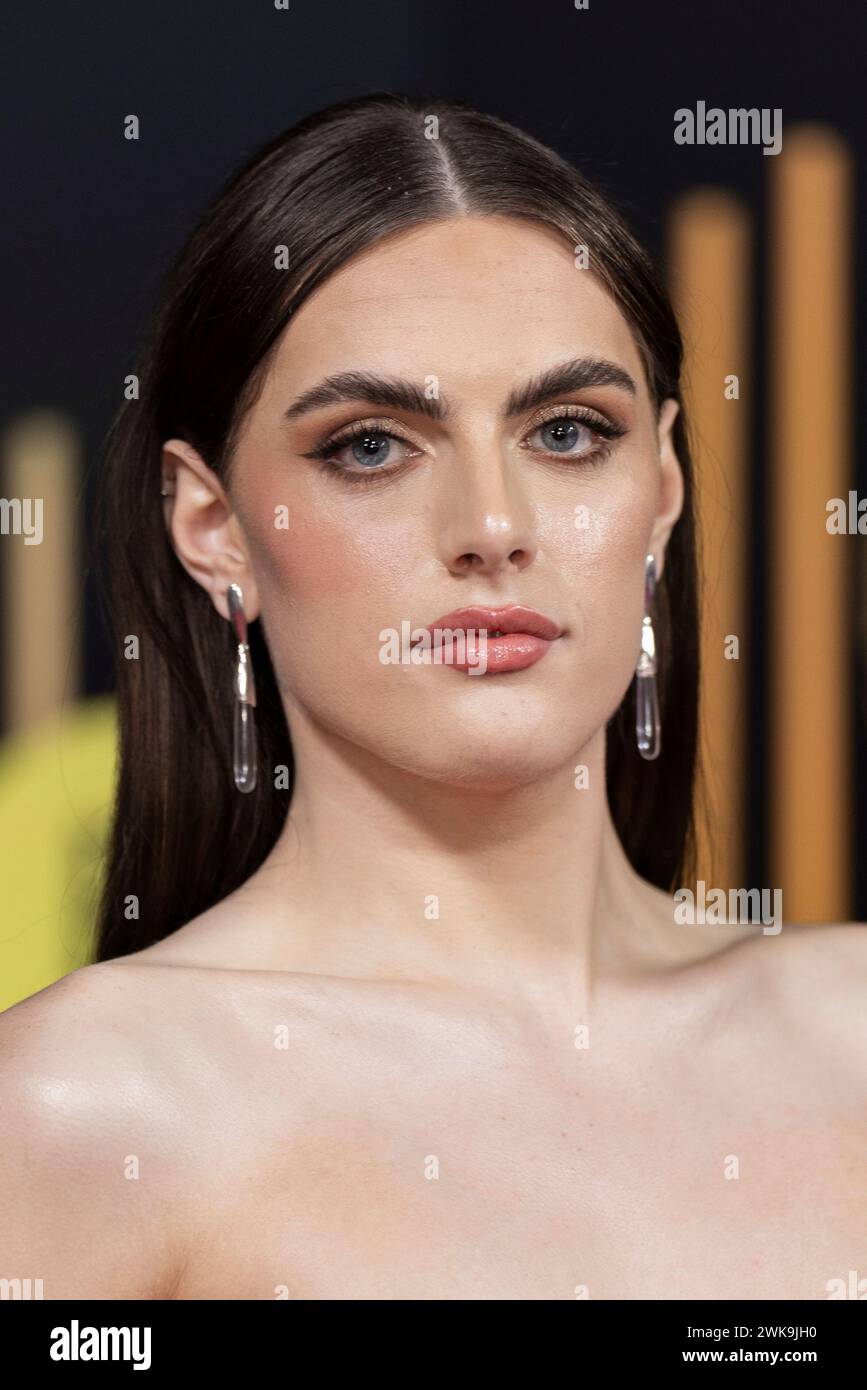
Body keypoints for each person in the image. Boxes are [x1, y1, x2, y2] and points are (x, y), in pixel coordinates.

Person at [1, 92, 864, 1301]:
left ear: (663, 491)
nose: (493, 526)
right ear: (215, 527)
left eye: (568, 432)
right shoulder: (80, 1106)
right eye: (370, 444)